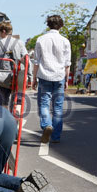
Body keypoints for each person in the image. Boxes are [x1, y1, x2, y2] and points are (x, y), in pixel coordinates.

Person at [32, 15, 71, 144]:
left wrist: (33, 78)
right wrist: (66, 80)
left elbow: (36, 62)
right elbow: (67, 63)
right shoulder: (65, 41)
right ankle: (56, 137)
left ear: (48, 25)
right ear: (61, 25)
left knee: (44, 104)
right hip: (59, 76)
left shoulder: (41, 40)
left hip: (44, 76)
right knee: (58, 107)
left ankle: (46, 125)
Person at [0, 21, 30, 111]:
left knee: (3, 100)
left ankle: (4, 117)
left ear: (4, 31)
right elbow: (26, 59)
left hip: (3, 76)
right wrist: (29, 75)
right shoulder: (20, 42)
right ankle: (17, 109)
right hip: (17, 75)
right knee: (17, 95)